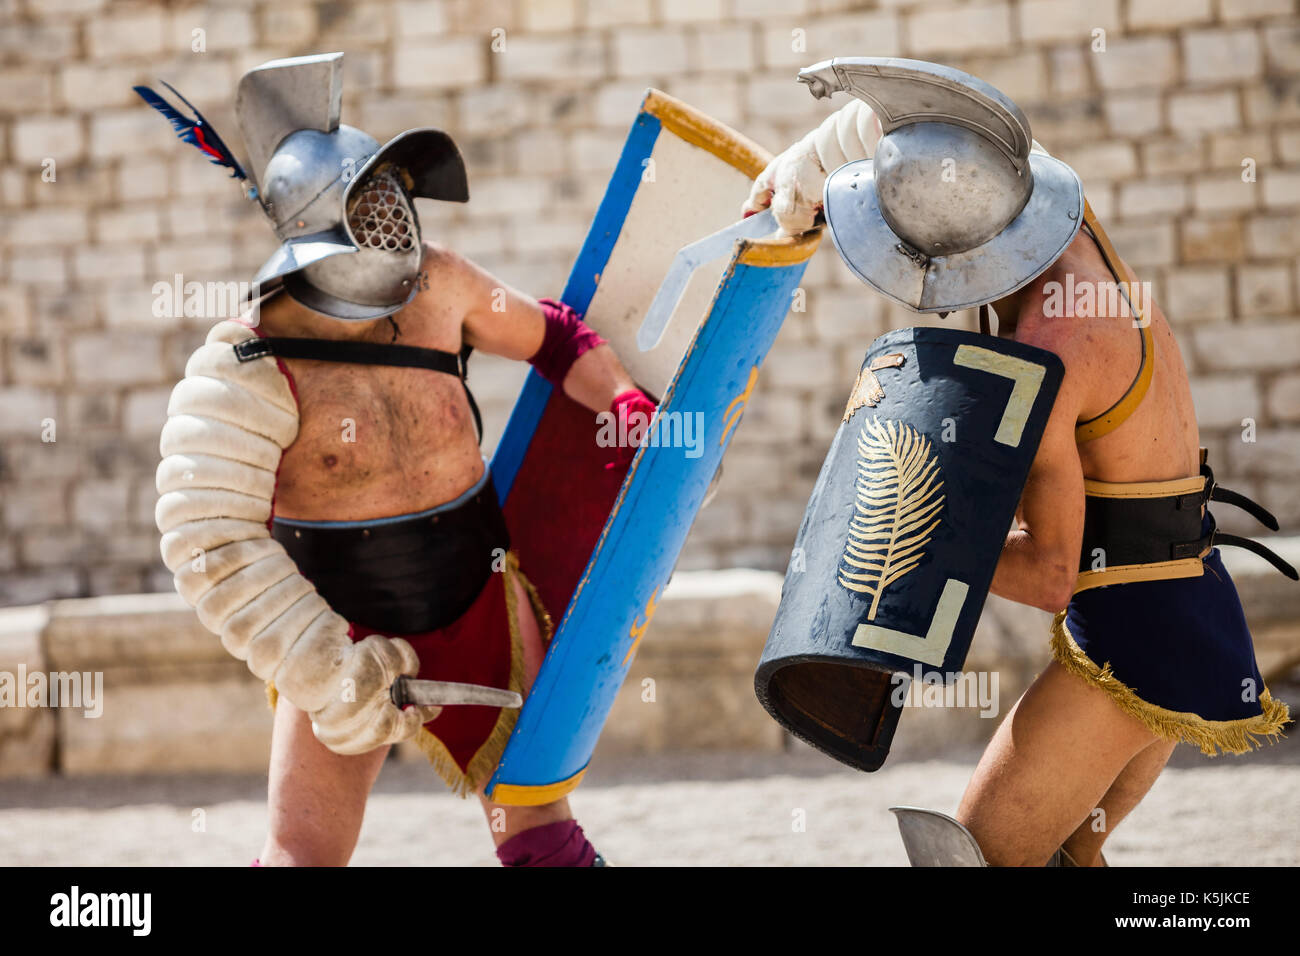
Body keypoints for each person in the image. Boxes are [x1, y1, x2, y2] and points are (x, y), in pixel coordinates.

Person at [746, 57, 1292, 867]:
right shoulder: (1075, 235)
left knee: (976, 861)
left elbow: (1048, 575)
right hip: (1187, 610)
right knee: (1070, 860)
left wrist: (907, 544)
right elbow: (961, 134)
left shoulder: (1051, 353)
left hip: (1128, 652)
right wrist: (810, 162)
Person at [144, 53, 653, 867]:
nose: (392, 214)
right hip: (341, 619)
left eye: (393, 191)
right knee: (302, 854)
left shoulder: (444, 283)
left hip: (480, 588)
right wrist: (326, 668)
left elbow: (556, 337)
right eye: (366, 198)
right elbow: (209, 540)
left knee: (540, 830)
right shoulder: (251, 357)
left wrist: (622, 401)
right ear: (316, 221)